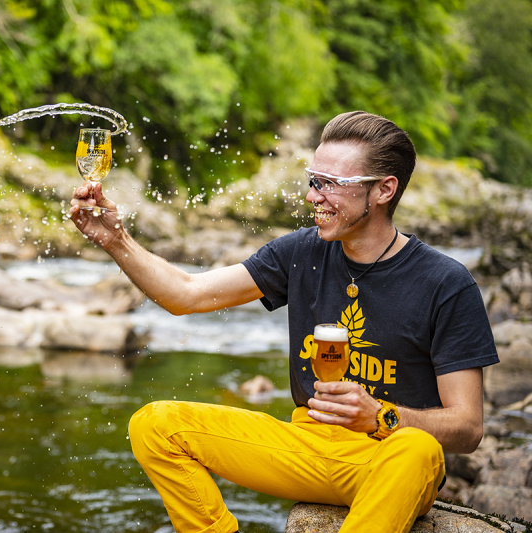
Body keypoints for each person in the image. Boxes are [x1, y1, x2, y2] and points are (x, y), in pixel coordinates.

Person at [69, 111, 498, 533]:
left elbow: (467, 427)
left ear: (384, 190)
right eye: (315, 180)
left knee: (419, 450)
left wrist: (381, 416)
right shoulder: (301, 252)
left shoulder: (446, 283)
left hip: (389, 457)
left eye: (332, 184)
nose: (313, 196)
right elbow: (187, 295)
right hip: (305, 448)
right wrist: (114, 238)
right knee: (155, 424)